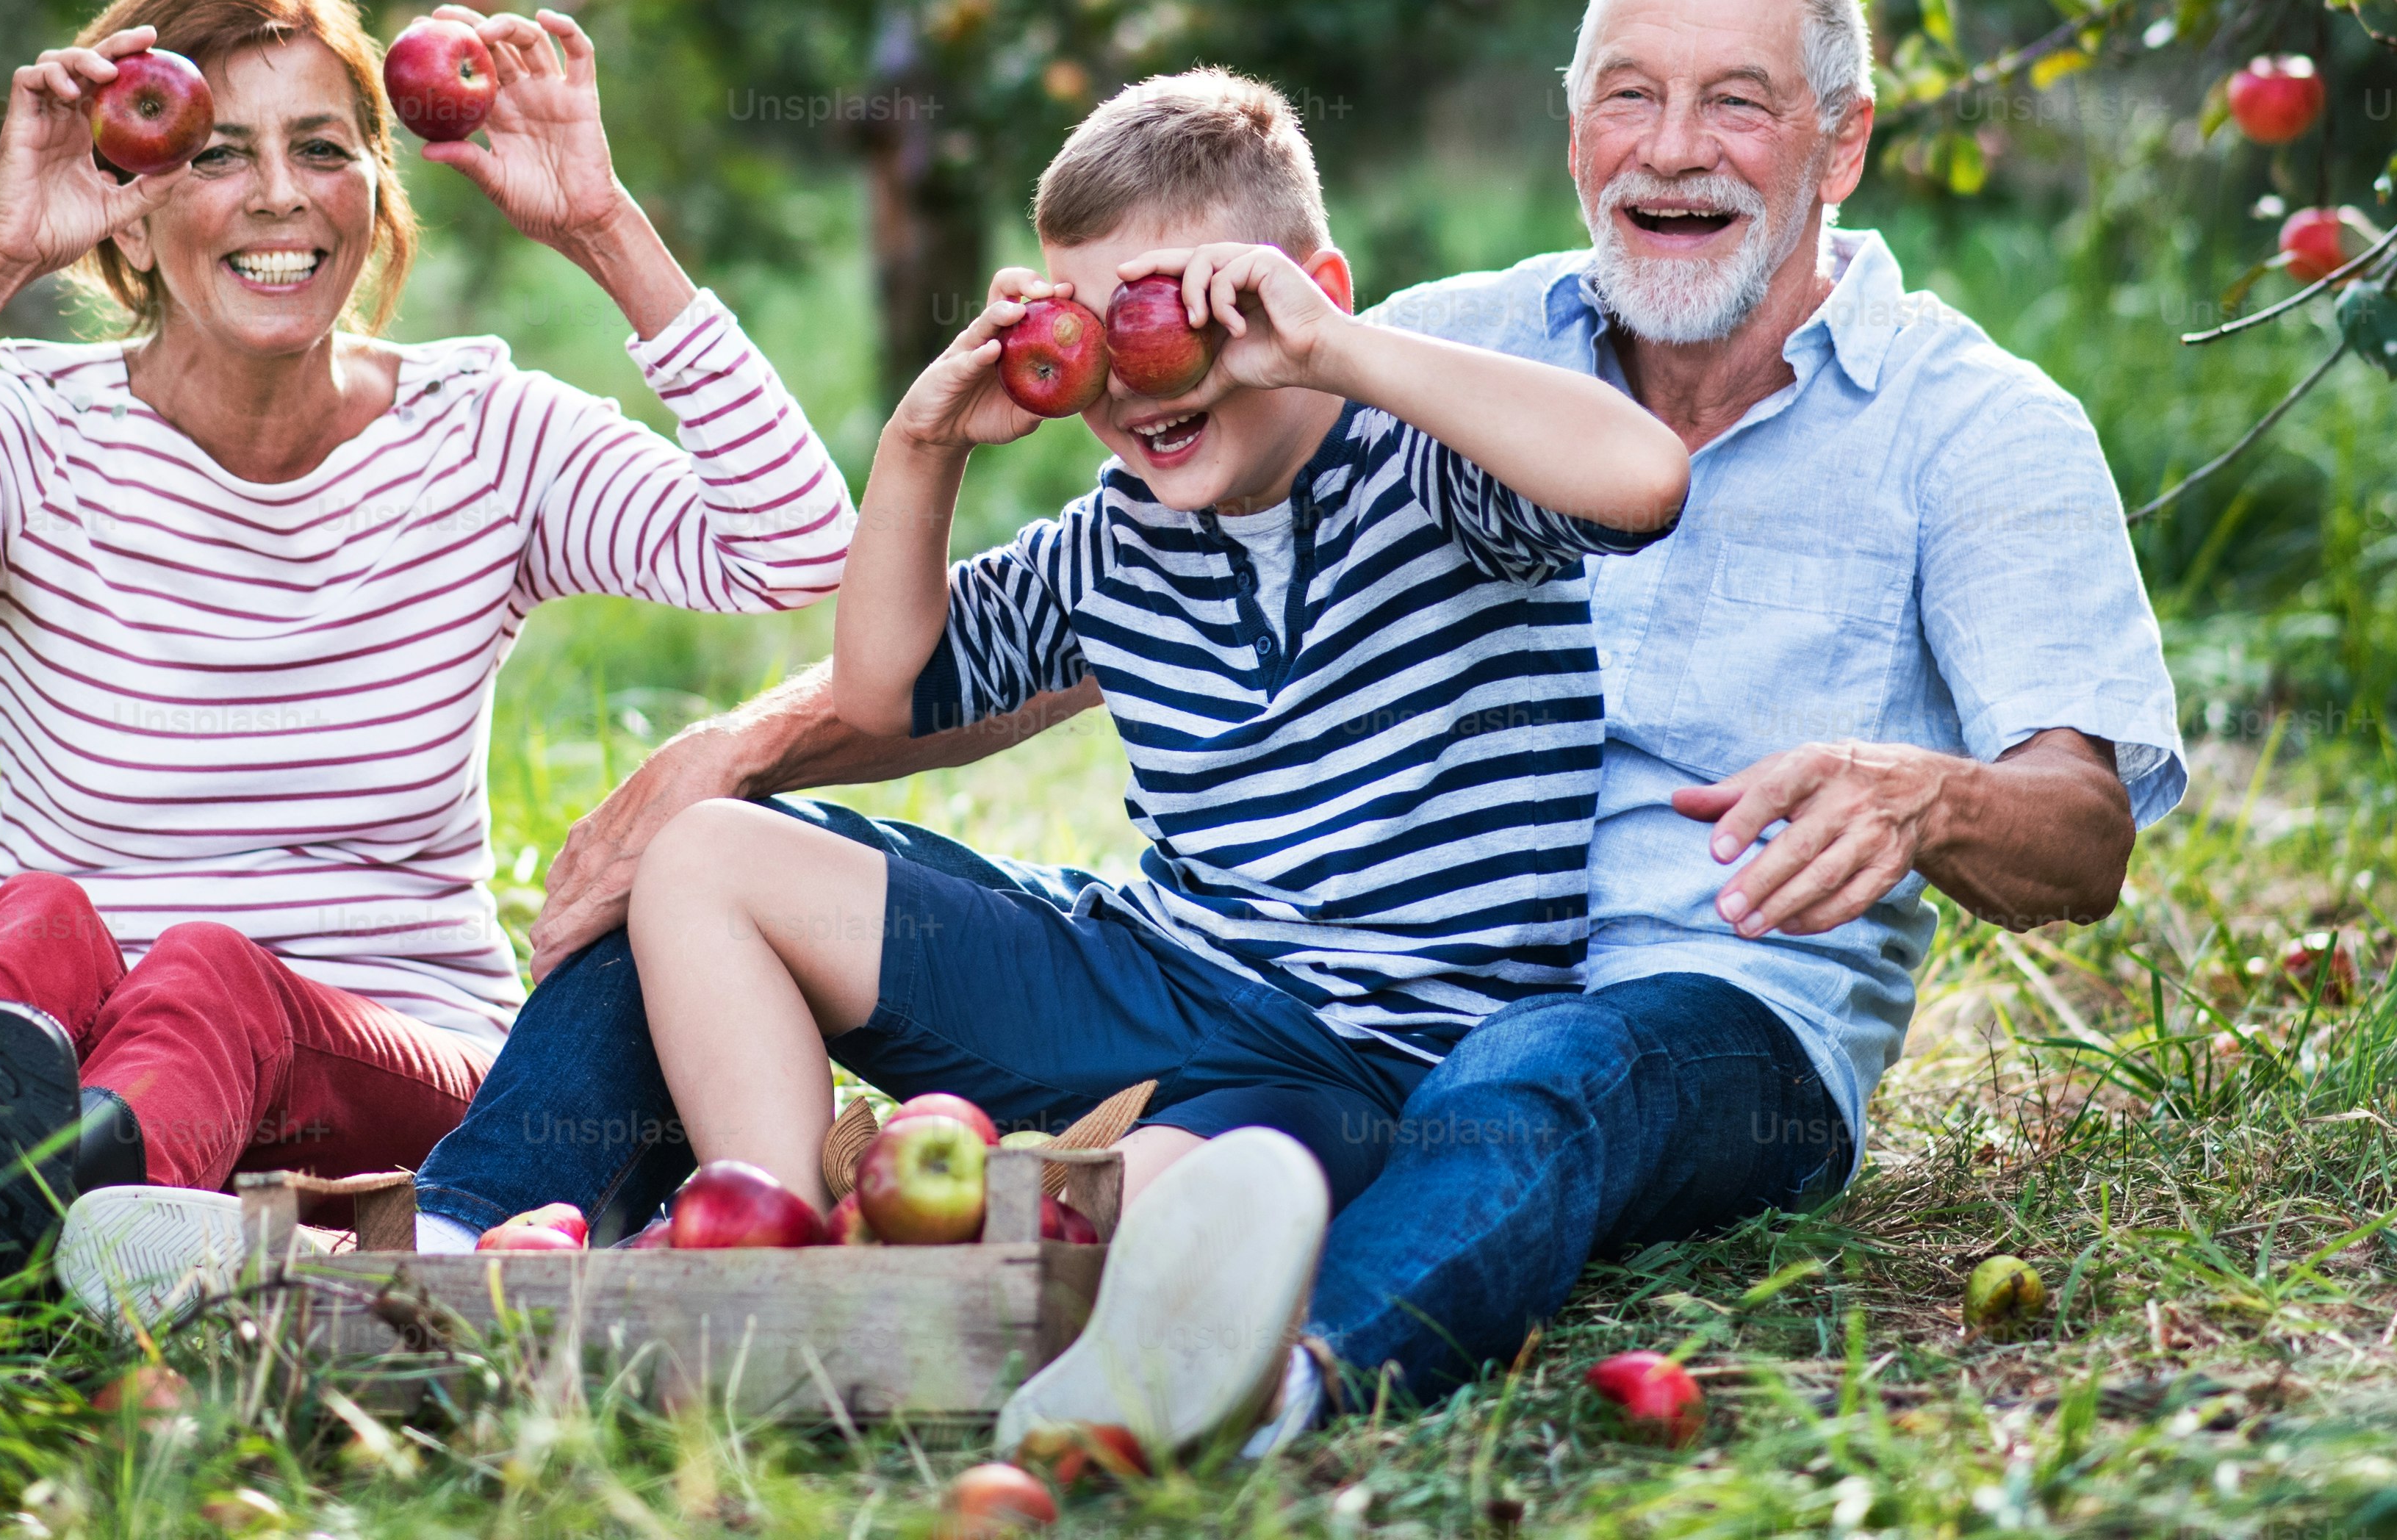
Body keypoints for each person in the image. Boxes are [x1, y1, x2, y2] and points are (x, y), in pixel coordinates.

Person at [406, 0, 2184, 1442]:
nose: (1672, 145)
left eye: (1738, 99)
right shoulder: (1416, 356)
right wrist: (732, 746)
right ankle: (477, 1244)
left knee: (1477, 1093)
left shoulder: (1948, 426)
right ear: (1573, 129)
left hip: (1658, 1005)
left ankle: (1273, 1368)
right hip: (1220, 971)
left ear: (1842, 142)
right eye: (1630, 93)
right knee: (704, 860)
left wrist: (1921, 789)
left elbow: (2074, 826)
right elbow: (952, 657)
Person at [0, 0, 853, 1296]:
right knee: (41, 918)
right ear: (123, 207)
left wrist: (602, 228)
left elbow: (795, 548)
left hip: (404, 1067)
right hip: (81, 1047)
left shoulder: (482, 438)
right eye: (218, 154)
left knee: (206, 970)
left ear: (376, 192)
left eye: (324, 148)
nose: (281, 196)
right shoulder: (32, 441)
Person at [623, 70, 1693, 1454]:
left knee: (1162, 1195)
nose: (1137, 375)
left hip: (1355, 1062)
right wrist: (922, 440)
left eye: (1184, 315)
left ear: (1306, 292)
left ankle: (1058, 1315)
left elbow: (1642, 479)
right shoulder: (1111, 542)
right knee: (709, 852)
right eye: (1096, 328)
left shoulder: (1431, 472)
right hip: (1156, 975)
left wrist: (1335, 351)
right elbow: (886, 689)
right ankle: (763, 1243)